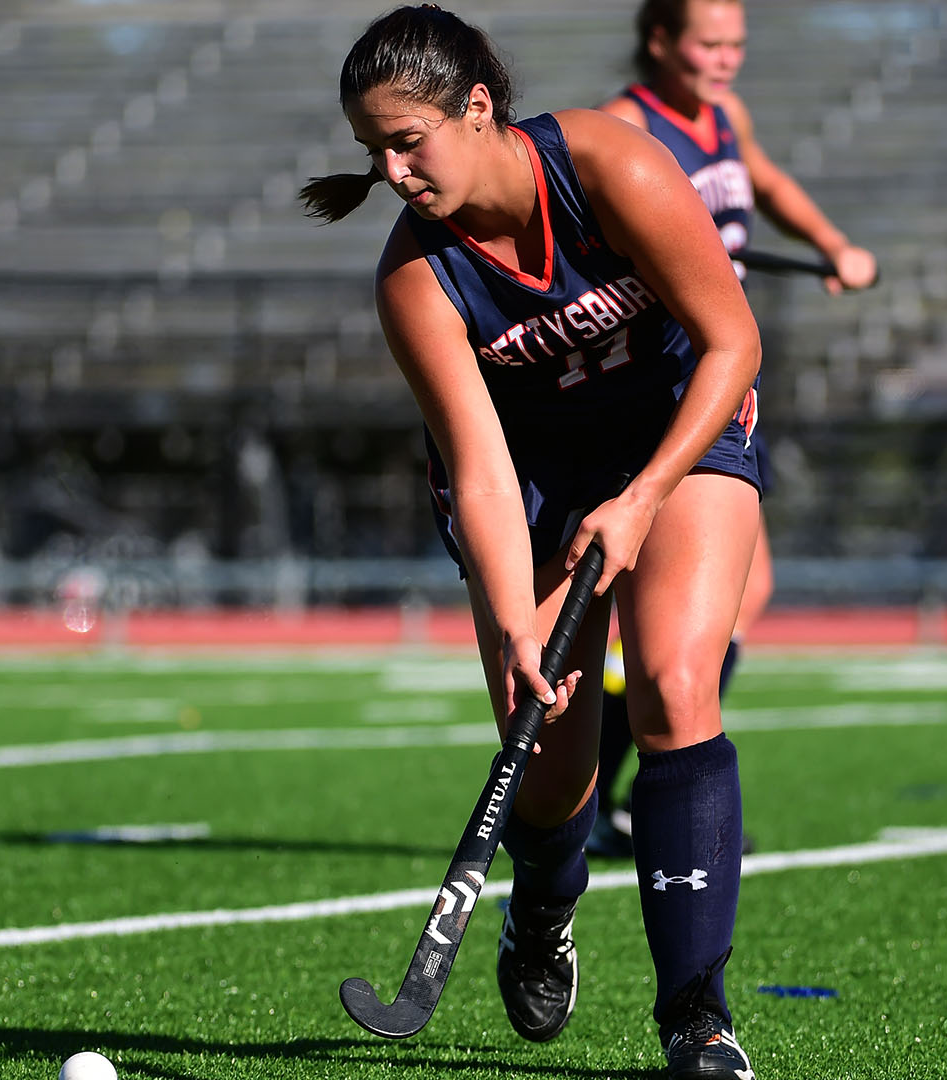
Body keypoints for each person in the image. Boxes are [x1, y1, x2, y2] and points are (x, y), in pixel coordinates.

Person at [301, 7, 763, 1076]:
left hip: (680, 436)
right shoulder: (414, 279)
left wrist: (646, 491)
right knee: (549, 768)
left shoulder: (606, 165)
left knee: (676, 686)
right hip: (535, 482)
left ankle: (698, 1020)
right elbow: (482, 466)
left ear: (477, 107)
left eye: (406, 141)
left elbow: (735, 339)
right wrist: (517, 625)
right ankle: (543, 906)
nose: (392, 170)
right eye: (374, 150)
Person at [586, 0, 878, 858]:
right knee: (636, 615)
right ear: (660, 40)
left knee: (738, 595)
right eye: (709, 43)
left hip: (722, 379)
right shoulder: (622, 127)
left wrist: (830, 243)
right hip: (658, 383)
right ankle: (609, 792)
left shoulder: (724, 116)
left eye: (737, 45)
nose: (726, 60)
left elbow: (768, 180)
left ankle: (631, 788)